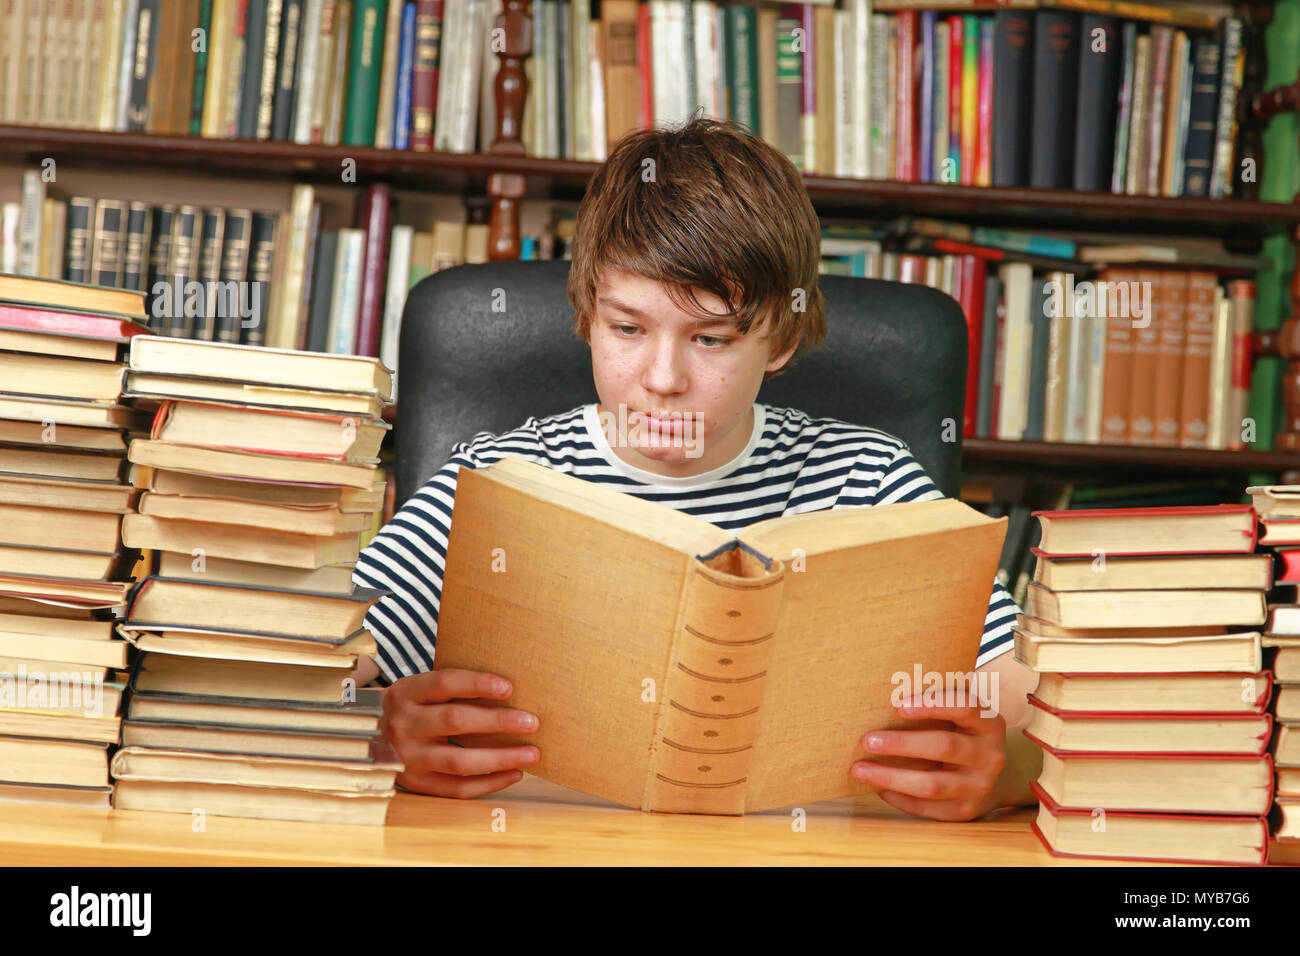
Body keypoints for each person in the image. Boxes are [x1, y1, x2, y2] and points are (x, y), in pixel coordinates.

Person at [349, 115, 1042, 821]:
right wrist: (376, 736)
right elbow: (313, 670)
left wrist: (1006, 769)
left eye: (711, 338)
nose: (662, 377)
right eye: (627, 328)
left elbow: (1027, 701)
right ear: (586, 313)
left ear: (782, 339)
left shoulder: (867, 481)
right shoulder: (496, 480)